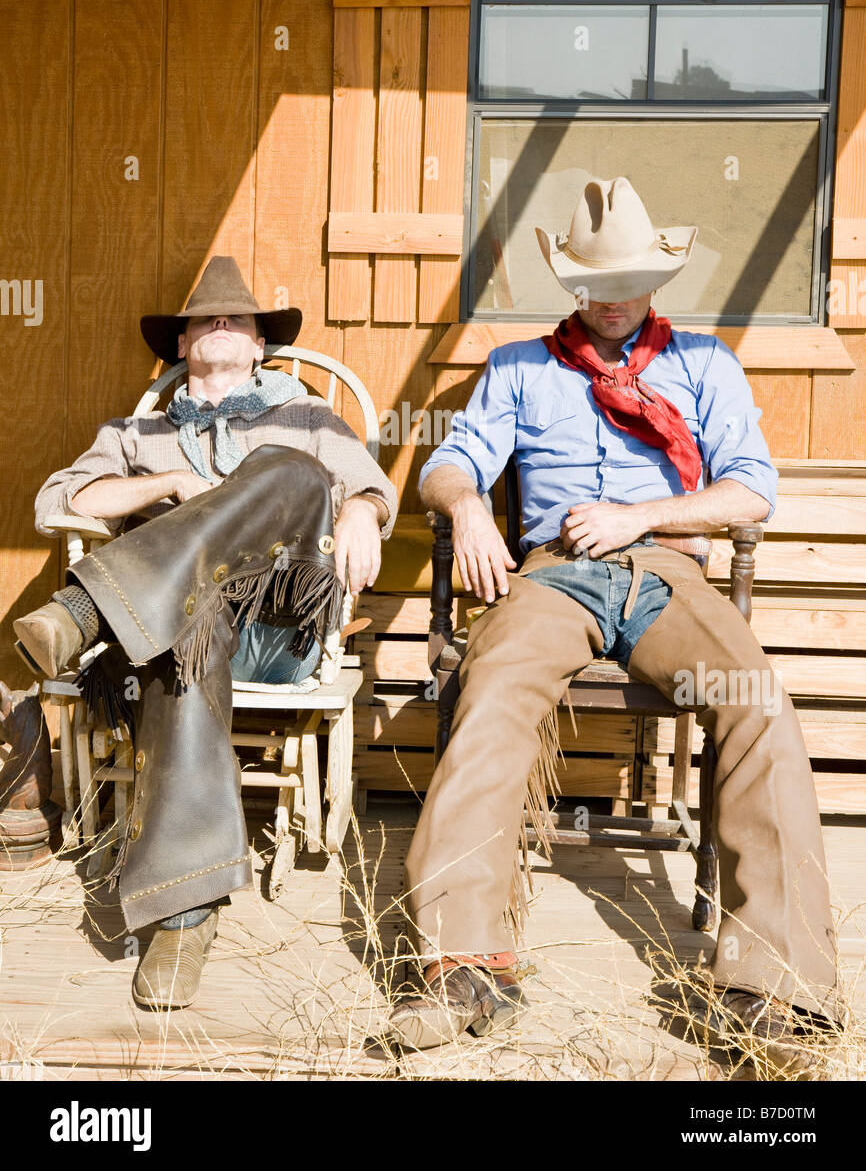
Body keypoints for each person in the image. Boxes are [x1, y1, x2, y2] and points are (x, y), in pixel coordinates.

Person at [388, 176, 841, 1072]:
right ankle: (464, 965)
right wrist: (472, 509)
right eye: (597, 284)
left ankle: (774, 984)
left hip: (667, 574)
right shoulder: (520, 367)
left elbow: (752, 489)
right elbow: (446, 465)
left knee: (756, 703)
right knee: (491, 693)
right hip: (554, 578)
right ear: (572, 285)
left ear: (657, 280)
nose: (614, 299)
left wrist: (643, 517)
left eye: (630, 281)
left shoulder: (705, 362)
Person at [8, 255, 397, 1009]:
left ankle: (84, 608)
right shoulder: (135, 431)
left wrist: (356, 509)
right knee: (186, 636)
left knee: (287, 472)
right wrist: (168, 484)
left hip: (276, 628)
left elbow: (372, 484)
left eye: (238, 319)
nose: (221, 324)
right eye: (205, 319)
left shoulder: (307, 417)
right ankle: (184, 914)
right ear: (181, 345)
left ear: (260, 348)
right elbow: (58, 498)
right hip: (170, 636)